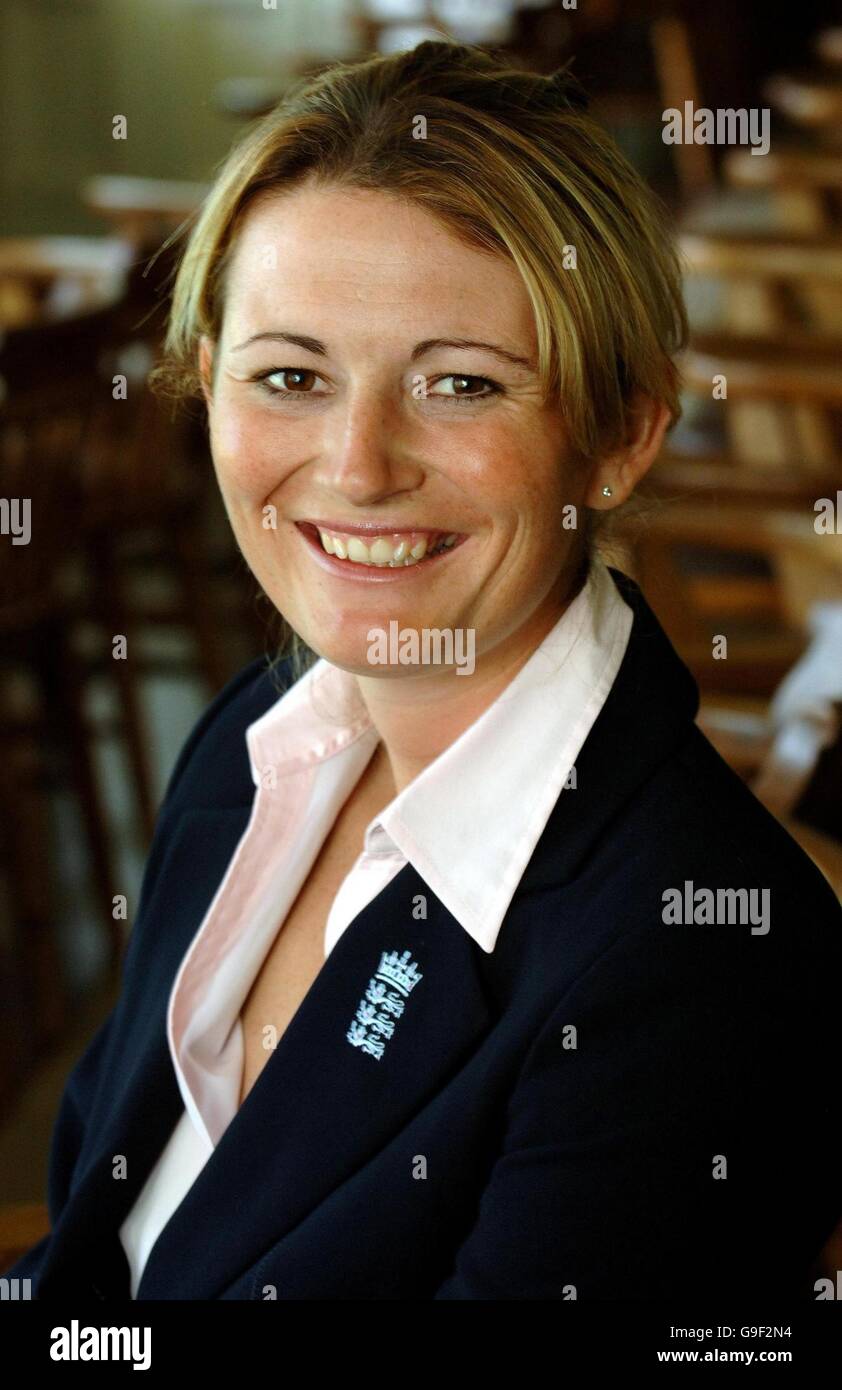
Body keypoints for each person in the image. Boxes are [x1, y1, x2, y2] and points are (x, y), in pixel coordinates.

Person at [8, 40, 840, 1301]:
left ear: (619, 434)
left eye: (458, 385)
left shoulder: (700, 965)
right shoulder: (252, 746)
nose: (356, 464)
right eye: (290, 376)